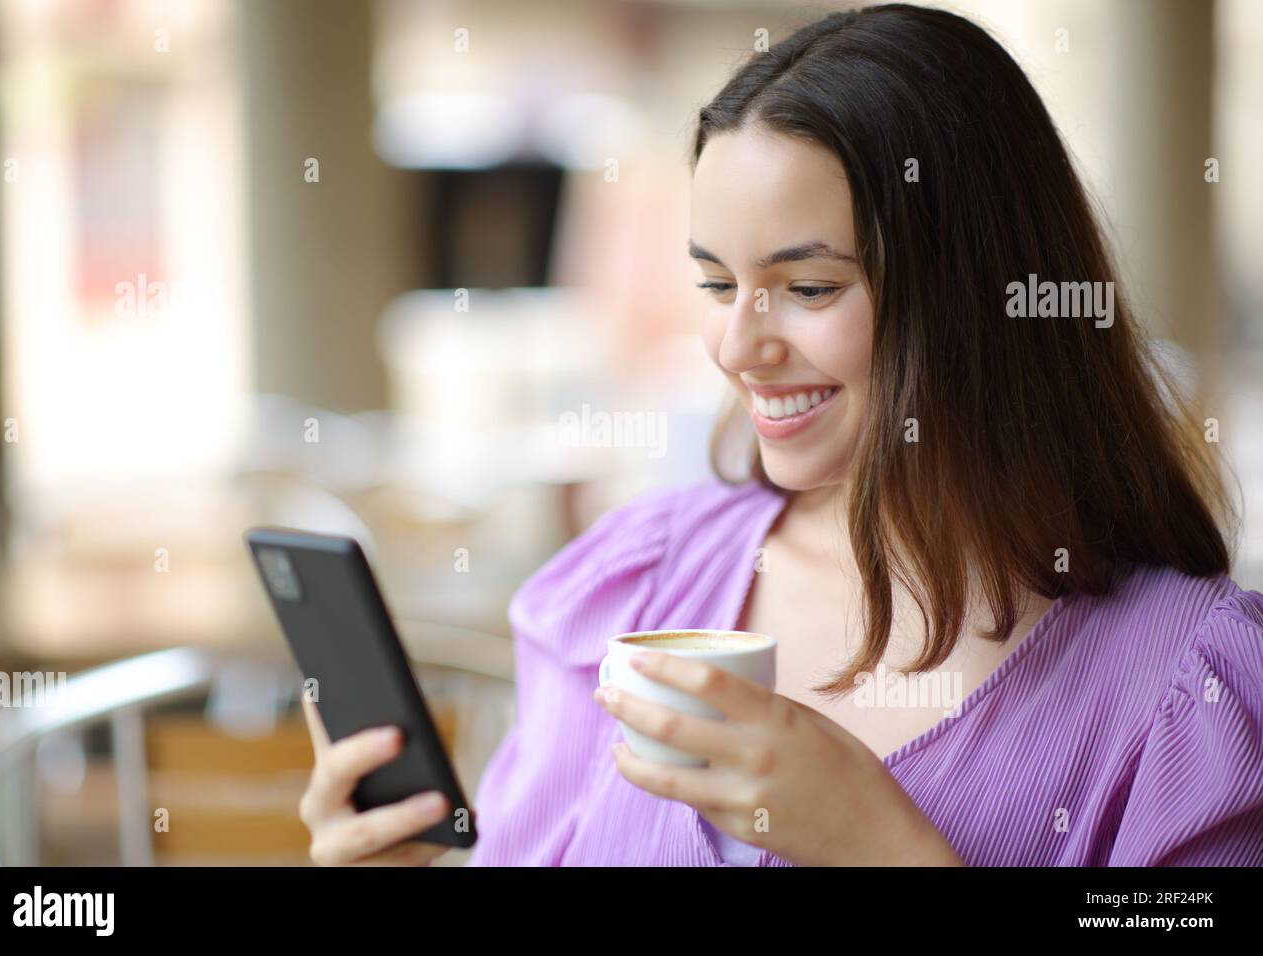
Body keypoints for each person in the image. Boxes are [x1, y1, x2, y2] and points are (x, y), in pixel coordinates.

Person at [297, 3, 1263, 866]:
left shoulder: (1189, 701)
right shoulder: (630, 586)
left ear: (980, 301)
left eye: (808, 288)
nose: (739, 346)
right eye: (717, 284)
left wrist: (885, 849)